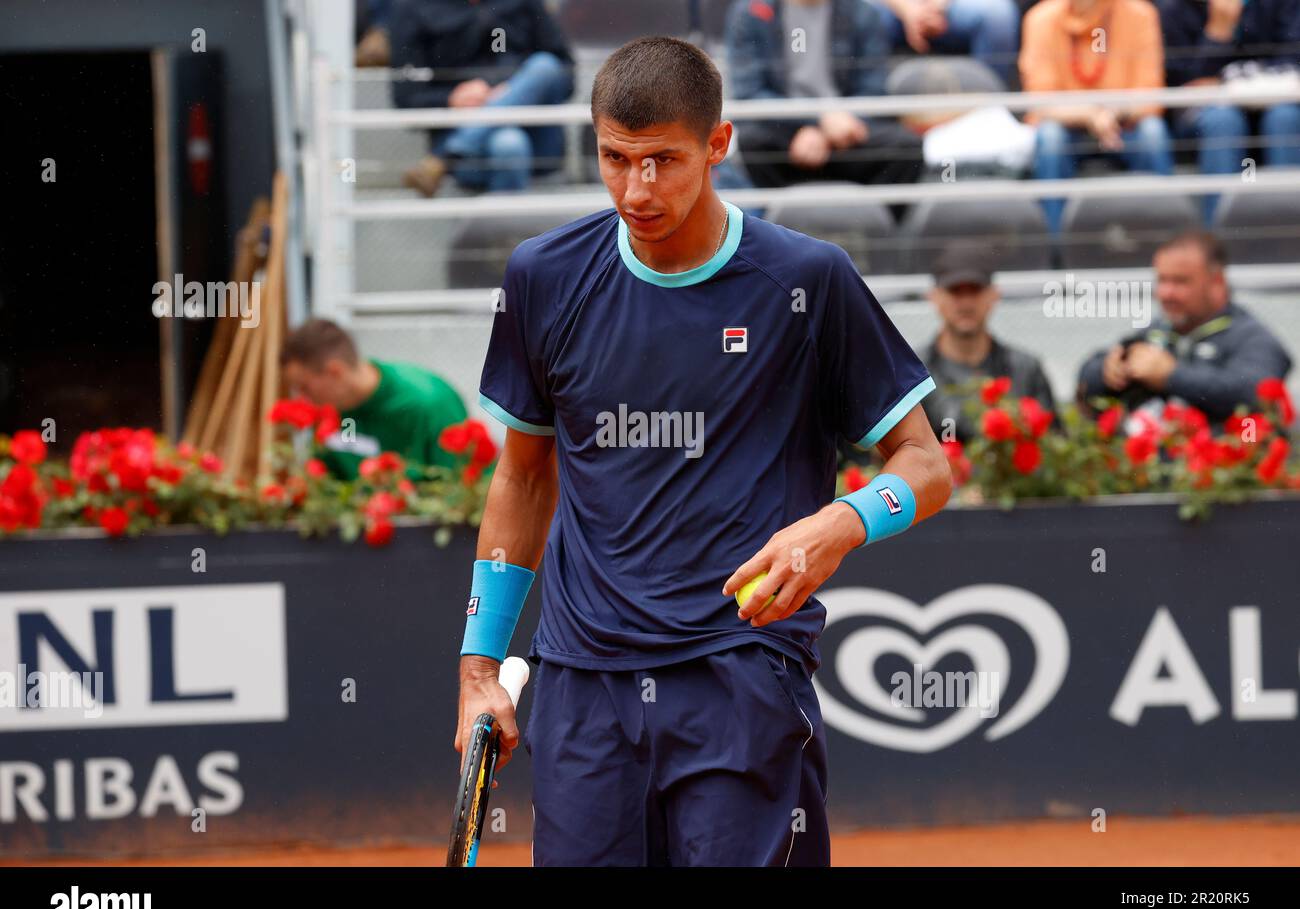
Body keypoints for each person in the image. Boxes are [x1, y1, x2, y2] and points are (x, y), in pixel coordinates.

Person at [459, 36, 951, 867]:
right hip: (581, 680)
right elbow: (523, 474)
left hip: (743, 670)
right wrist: (480, 666)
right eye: (616, 158)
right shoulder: (542, 276)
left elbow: (925, 461)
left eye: (663, 161)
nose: (636, 189)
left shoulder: (807, 282)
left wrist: (837, 524)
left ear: (717, 146)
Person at [1077, 231, 1293, 422]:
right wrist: (1108, 369)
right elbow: (1087, 380)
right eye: (1162, 280)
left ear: (1216, 282)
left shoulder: (1251, 337)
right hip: (1150, 463)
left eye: (1180, 282)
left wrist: (1172, 376)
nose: (1166, 293)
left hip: (1223, 463)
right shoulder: (1158, 331)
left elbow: (1255, 393)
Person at [726, 0, 925, 190]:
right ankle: (775, 222)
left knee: (906, 147)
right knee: (752, 142)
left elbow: (873, 90)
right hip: (786, 132)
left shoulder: (863, 13)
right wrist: (818, 121)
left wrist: (831, 130)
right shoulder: (752, 12)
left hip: (849, 131)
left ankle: (872, 223)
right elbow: (749, 93)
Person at [1020, 0, 1174, 234]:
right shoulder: (1040, 18)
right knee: (1049, 138)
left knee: (1153, 133)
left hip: (1124, 126)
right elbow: (1040, 102)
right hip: (1068, 129)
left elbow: (1149, 92)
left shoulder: (1140, 13)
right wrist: (1091, 115)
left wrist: (1111, 114)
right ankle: (1056, 246)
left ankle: (1163, 238)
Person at [390, 0, 575, 195]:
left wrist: (515, 89)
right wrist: (451, 98)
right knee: (509, 144)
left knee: (544, 66)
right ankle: (457, 152)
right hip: (472, 155)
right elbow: (407, 98)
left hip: (539, 143)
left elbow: (566, 77)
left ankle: (446, 155)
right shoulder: (412, 8)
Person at [1158, 0, 1300, 222]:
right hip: (1208, 117)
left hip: (1274, 106)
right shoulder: (1174, 9)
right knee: (1223, 120)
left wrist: (1231, 81)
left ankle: (1287, 228)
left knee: (1284, 117)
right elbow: (1185, 84)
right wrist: (1218, 33)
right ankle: (1219, 236)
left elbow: (1293, 61)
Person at [280, 318, 470, 479]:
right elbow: (328, 481)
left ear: (335, 372)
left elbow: (462, 487)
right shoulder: (333, 411)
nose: (303, 399)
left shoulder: (429, 403)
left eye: (305, 387)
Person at [920, 243, 1056, 443]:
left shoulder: (1027, 369)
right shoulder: (913, 376)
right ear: (934, 297)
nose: (966, 303)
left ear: (994, 295)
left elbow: (1052, 445)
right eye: (955, 291)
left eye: (975, 290)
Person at [868, 0, 1023, 86]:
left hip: (952, 5)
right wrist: (909, 11)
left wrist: (938, 6)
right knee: (865, 14)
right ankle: (871, 109)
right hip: (891, 6)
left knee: (997, 14)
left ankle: (991, 107)